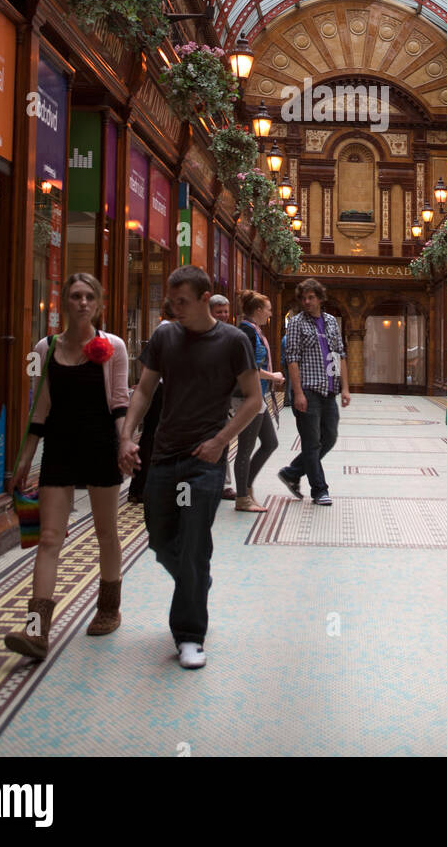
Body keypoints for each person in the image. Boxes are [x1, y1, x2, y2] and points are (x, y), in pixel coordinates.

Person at [118, 265, 260, 670]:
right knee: (161, 540)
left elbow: (252, 399)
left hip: (205, 460)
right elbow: (144, 389)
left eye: (182, 301)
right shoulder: (165, 335)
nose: (174, 307)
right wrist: (127, 436)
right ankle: (196, 582)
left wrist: (220, 442)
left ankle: (190, 634)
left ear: (203, 298)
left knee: (195, 543)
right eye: (171, 300)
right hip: (164, 456)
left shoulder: (232, 340)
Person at [4, 273, 129, 661]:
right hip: (58, 448)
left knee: (105, 532)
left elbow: (120, 402)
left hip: (100, 446)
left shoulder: (113, 347)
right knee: (49, 537)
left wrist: (126, 442)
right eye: (75, 296)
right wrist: (25, 457)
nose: (82, 302)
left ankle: (108, 608)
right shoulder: (45, 348)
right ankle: (37, 631)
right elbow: (40, 406)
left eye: (90, 296)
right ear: (64, 302)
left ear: (99, 303)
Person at [277, 278, 350, 506]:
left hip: (329, 391)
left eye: (311, 297)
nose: (307, 302)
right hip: (308, 390)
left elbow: (340, 355)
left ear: (320, 298)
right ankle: (319, 490)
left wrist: (345, 388)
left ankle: (292, 472)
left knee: (329, 437)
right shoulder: (297, 323)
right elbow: (293, 359)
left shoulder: (330, 322)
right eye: (304, 298)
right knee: (311, 443)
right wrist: (297, 393)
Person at [233, 290, 283, 512]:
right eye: (268, 309)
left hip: (256, 395)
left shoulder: (253, 330)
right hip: (247, 397)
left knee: (270, 442)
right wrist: (273, 376)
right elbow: (248, 366)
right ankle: (242, 497)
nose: (270, 314)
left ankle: (247, 488)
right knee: (245, 447)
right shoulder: (246, 330)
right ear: (259, 310)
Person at [127, 298, 174, 504]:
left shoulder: (166, 329)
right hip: (160, 390)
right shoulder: (167, 330)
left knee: (150, 438)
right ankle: (141, 488)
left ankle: (140, 488)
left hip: (158, 389)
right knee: (152, 439)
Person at [209, 294, 237, 499]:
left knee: (222, 441)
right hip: (200, 402)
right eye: (220, 312)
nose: (224, 315)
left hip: (223, 400)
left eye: (226, 311)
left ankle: (223, 484)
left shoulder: (232, 336)